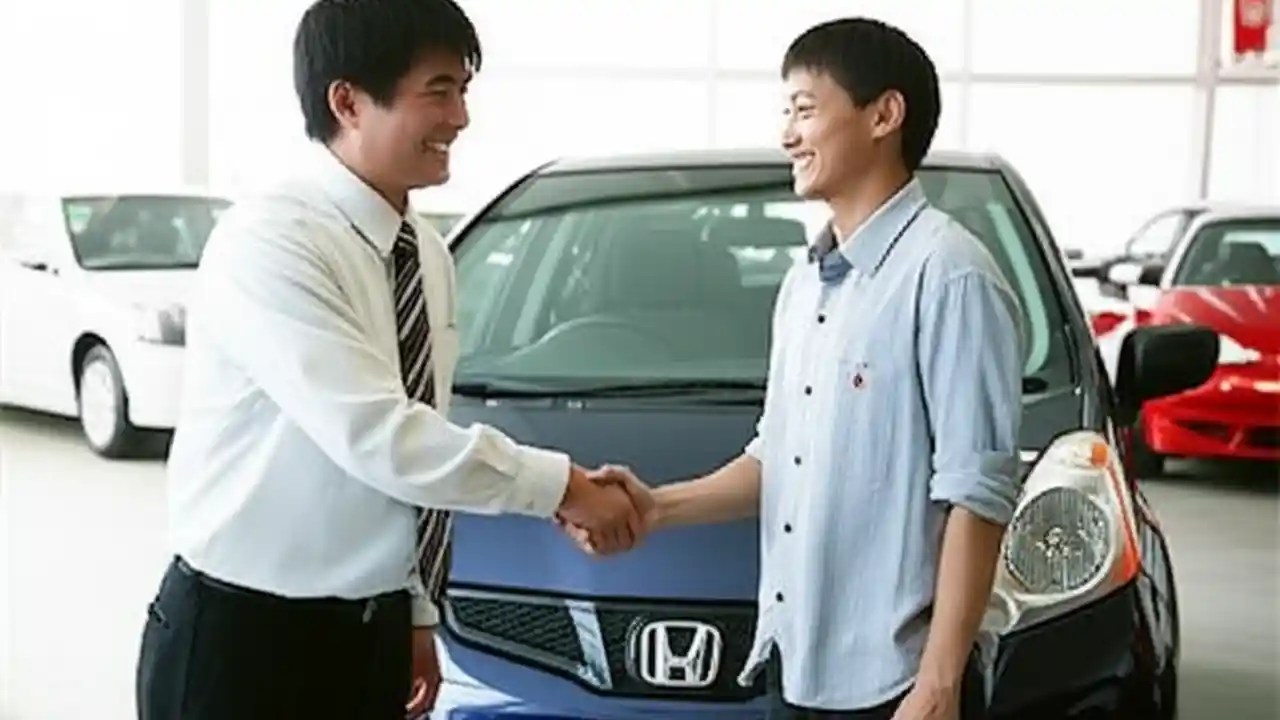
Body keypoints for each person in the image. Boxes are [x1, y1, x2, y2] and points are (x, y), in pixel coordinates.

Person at [134, 1, 641, 718]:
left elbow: (411, 453)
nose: (461, 117)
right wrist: (561, 486)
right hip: (244, 642)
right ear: (348, 101)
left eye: (463, 90)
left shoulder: (425, 251)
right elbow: (380, 436)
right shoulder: (273, 241)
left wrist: (416, 610)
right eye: (439, 90)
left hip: (368, 631)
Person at [563, 17, 1024, 720]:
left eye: (804, 109)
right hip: (796, 665)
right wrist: (658, 508)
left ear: (884, 115)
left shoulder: (949, 275)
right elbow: (783, 457)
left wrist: (938, 683)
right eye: (786, 112)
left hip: (896, 683)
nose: (787, 135)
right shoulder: (807, 284)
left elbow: (977, 494)